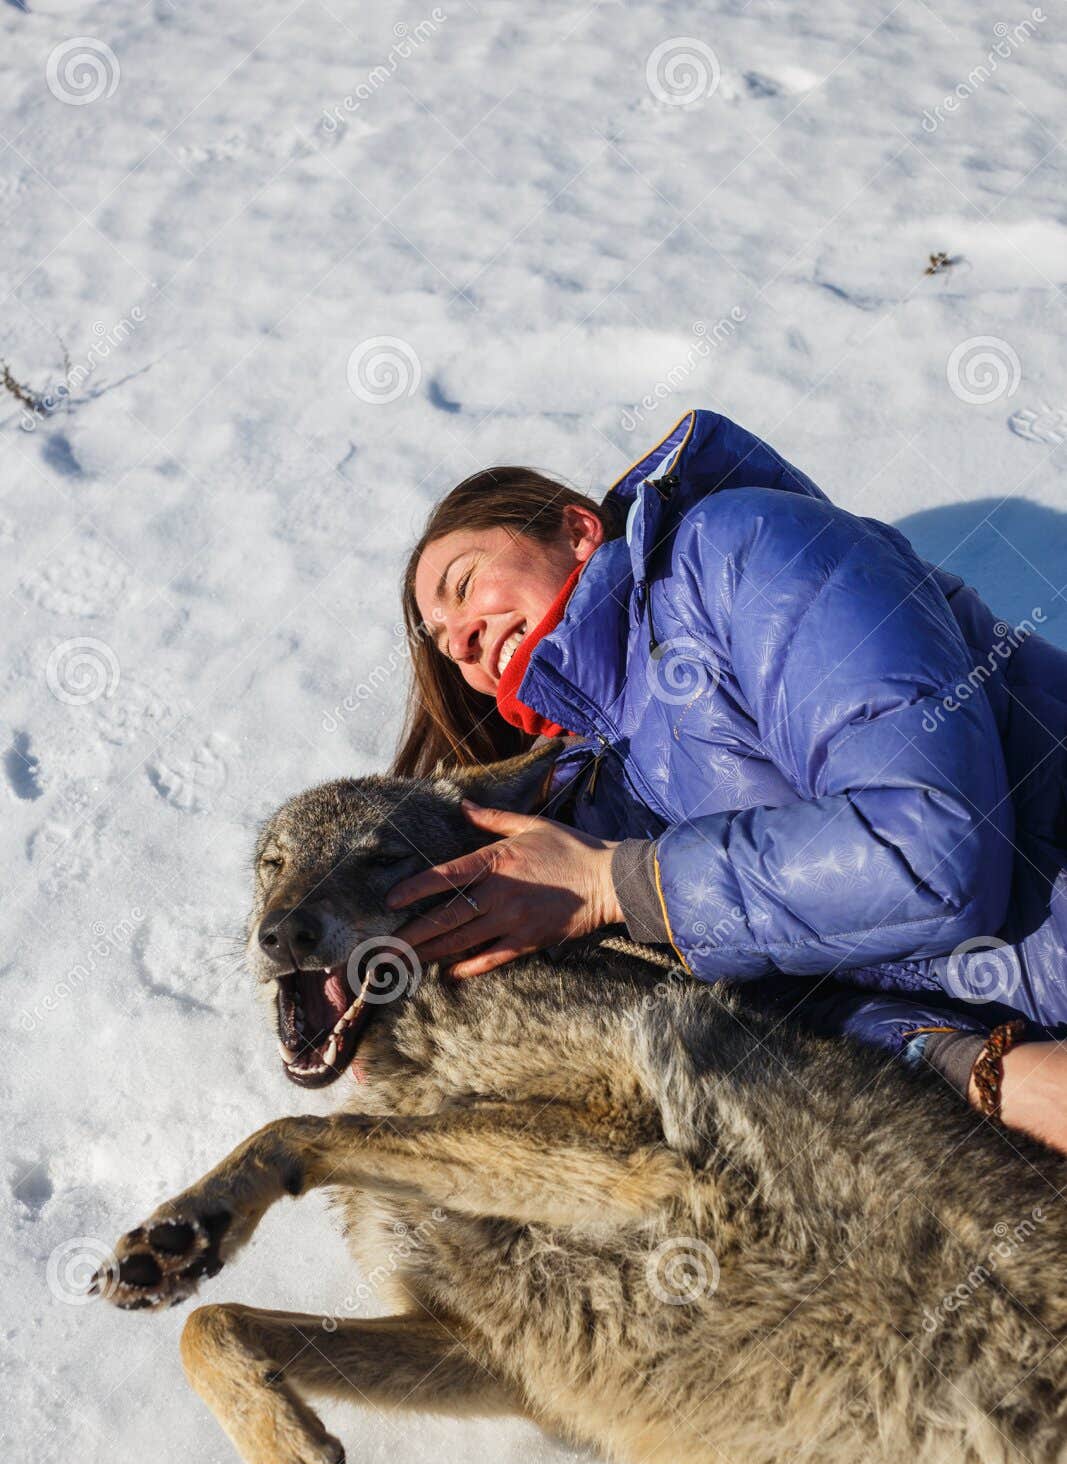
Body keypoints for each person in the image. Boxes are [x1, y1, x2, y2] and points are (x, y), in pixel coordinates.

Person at [386, 408, 1067, 1151]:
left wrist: (620, 884)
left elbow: (931, 846)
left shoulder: (741, 552)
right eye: (448, 648)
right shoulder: (590, 799)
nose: (466, 641)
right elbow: (780, 997)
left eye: (464, 586)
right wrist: (956, 1061)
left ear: (578, 531)